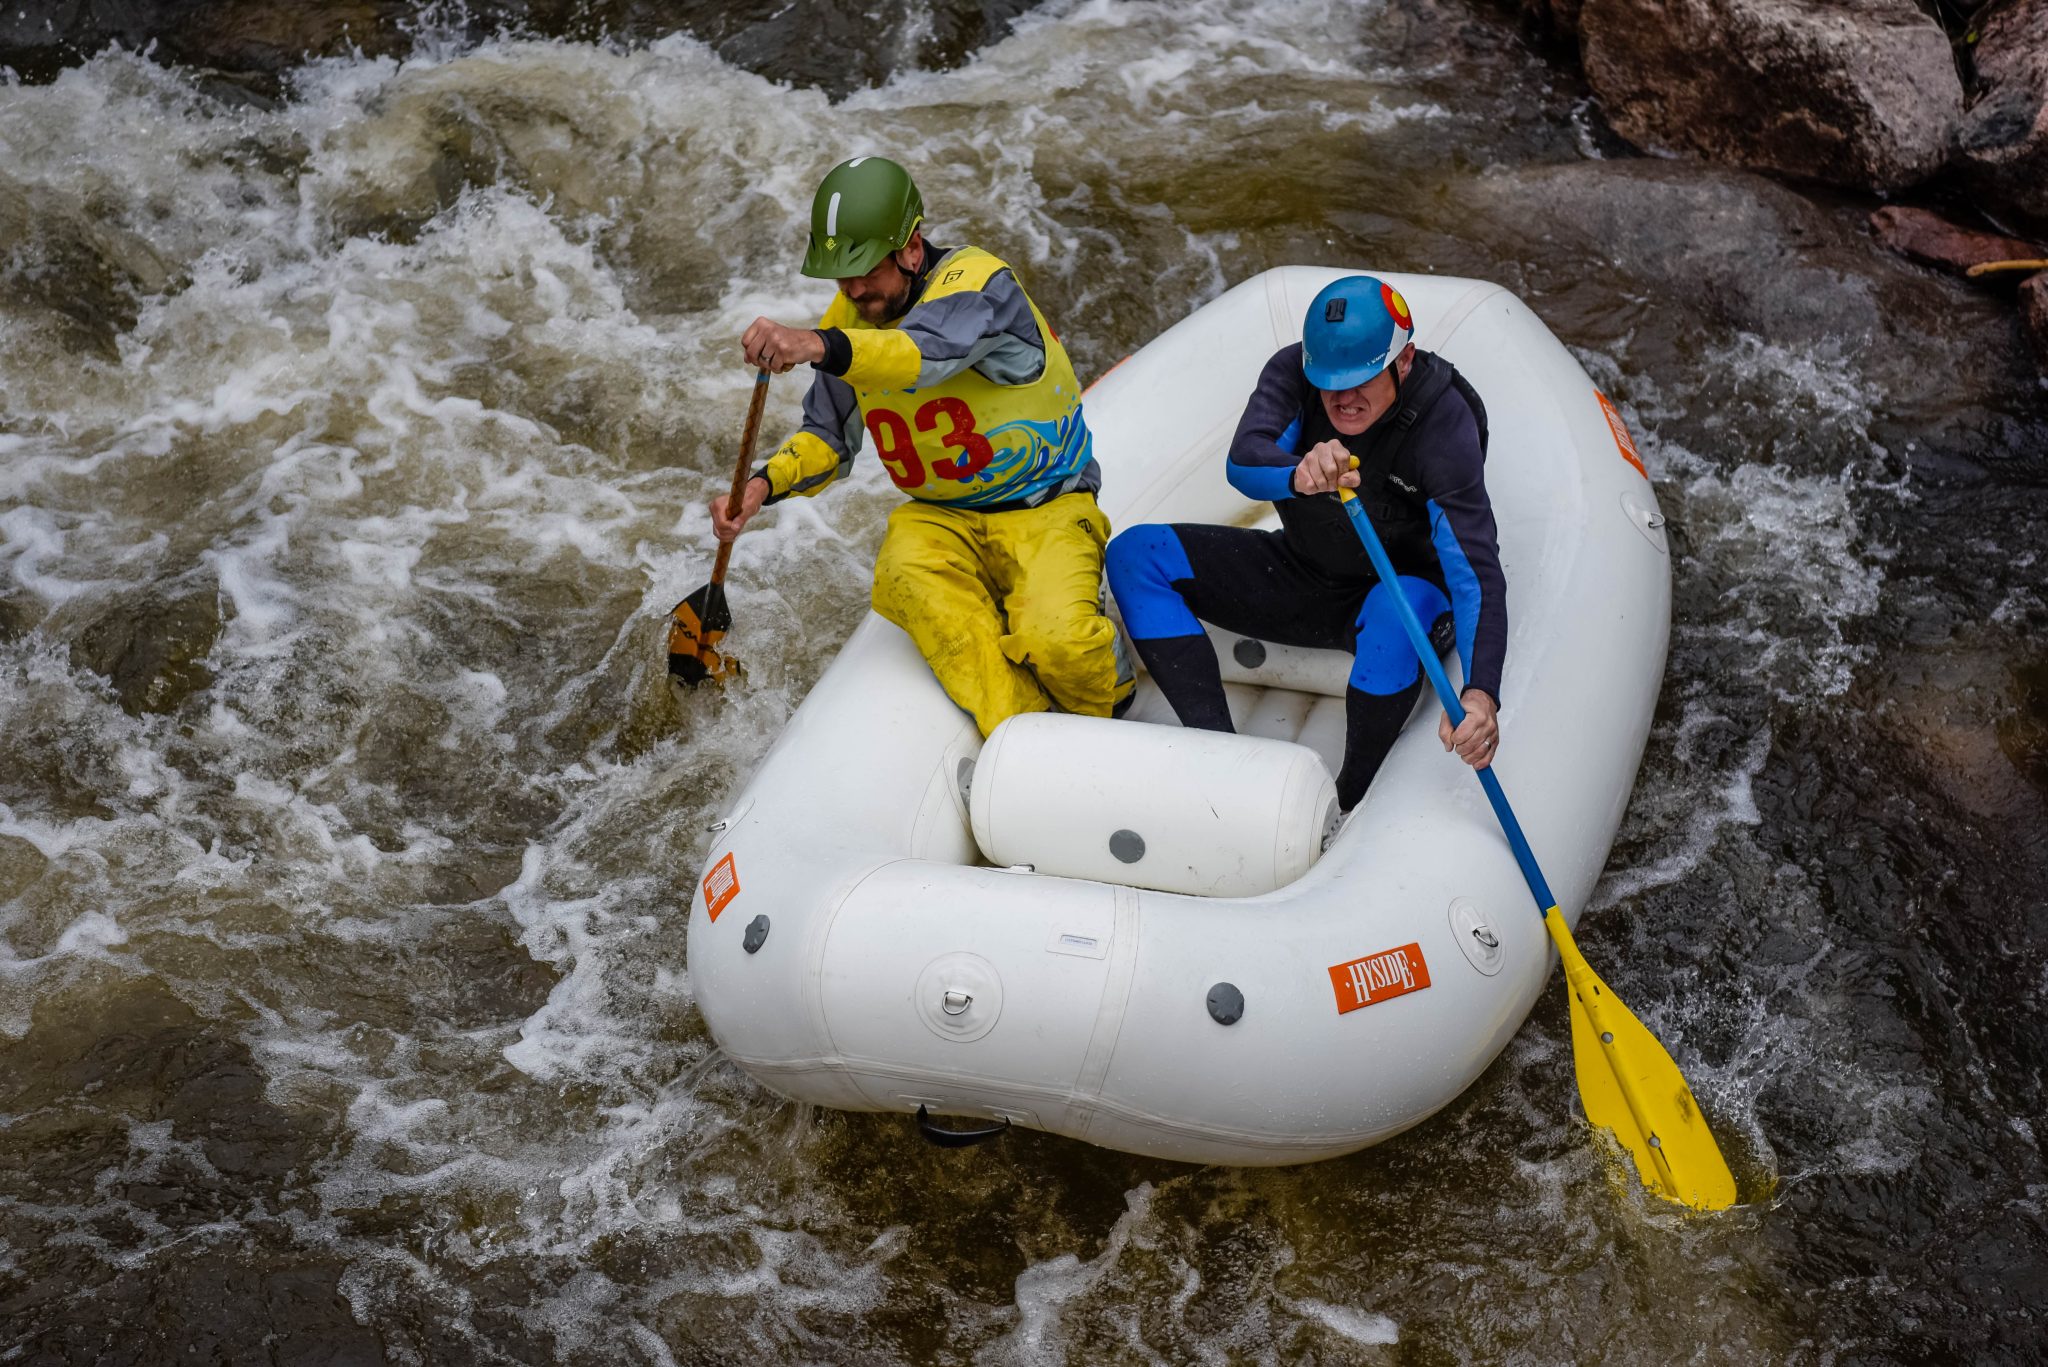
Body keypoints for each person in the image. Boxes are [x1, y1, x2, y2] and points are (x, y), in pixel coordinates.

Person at [712, 155, 1129, 736]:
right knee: (901, 573)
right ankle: (1023, 729)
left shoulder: (981, 287)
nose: (854, 289)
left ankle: (1110, 694)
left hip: (1047, 506)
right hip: (941, 516)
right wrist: (762, 486)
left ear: (911, 248)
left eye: (865, 269)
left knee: (1060, 643)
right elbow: (829, 437)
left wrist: (815, 345)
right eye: (841, 275)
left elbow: (921, 356)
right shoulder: (851, 315)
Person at [1104, 275, 1505, 810]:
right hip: (1302, 569)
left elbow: (1475, 573)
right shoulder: (1292, 370)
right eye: (1329, 381)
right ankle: (1216, 752)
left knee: (1398, 611)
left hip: (1398, 592)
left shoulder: (1443, 421)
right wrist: (1299, 473)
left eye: (1361, 380)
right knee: (1135, 555)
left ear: (1404, 361)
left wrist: (1481, 694)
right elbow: (1244, 460)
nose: (1343, 398)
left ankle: (1349, 803)